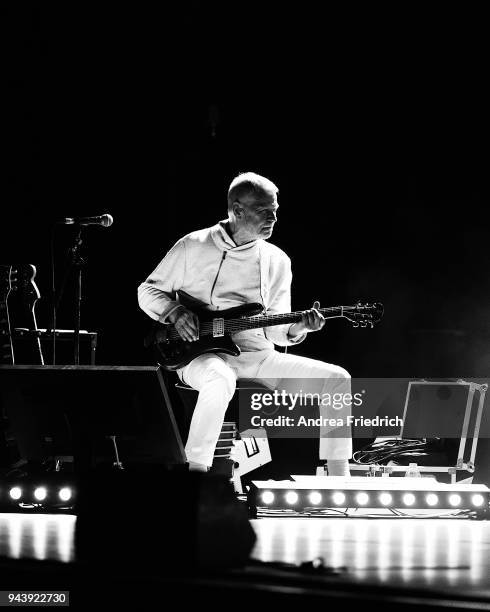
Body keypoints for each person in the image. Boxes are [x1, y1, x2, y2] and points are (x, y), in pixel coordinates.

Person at [138, 172, 352, 475]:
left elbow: (277, 332)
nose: (274, 218)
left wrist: (300, 327)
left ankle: (338, 476)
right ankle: (195, 474)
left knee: (337, 379)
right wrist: (174, 311)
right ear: (238, 211)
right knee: (219, 378)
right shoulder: (193, 245)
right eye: (265, 211)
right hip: (200, 355)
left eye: (275, 210)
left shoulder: (277, 260)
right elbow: (146, 291)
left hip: (258, 357)